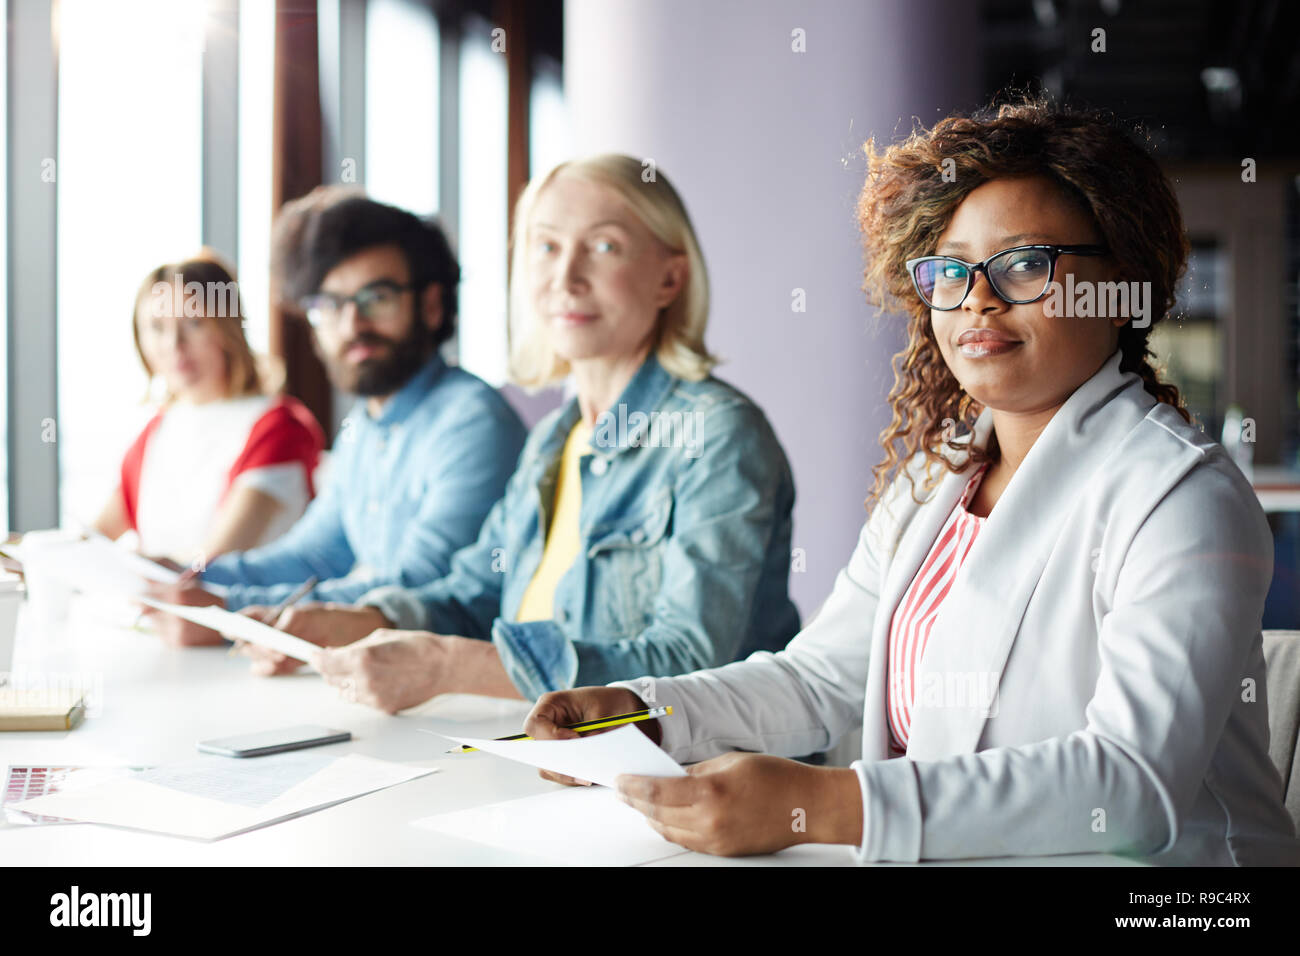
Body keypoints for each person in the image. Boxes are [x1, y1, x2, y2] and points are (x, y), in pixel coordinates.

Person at [520, 99, 1300, 866]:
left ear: (1121, 285)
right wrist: (644, 710)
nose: (978, 298)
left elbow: (1131, 786)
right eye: (951, 270)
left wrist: (827, 805)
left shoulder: (1181, 495)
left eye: (1025, 264)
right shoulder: (940, 474)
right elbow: (820, 679)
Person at [239, 155, 802, 713]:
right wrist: (364, 619)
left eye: (604, 246)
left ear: (670, 279)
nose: (566, 277)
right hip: (548, 747)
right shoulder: (555, 438)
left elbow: (689, 662)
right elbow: (475, 594)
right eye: (547, 247)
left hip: (680, 764)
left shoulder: (717, 436)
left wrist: (449, 666)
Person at [145, 188, 527, 645]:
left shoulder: (472, 422)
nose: (352, 325)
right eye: (329, 305)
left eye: (377, 298)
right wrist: (191, 575)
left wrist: (226, 611)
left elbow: (415, 585)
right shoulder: (365, 427)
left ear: (430, 304)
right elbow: (314, 555)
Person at [95, 251, 324, 565]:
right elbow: (96, 537)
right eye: (157, 327)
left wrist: (130, 568)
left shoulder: (278, 427)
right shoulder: (155, 432)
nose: (174, 344)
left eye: (194, 322)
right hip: (160, 596)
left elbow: (212, 563)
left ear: (227, 326)